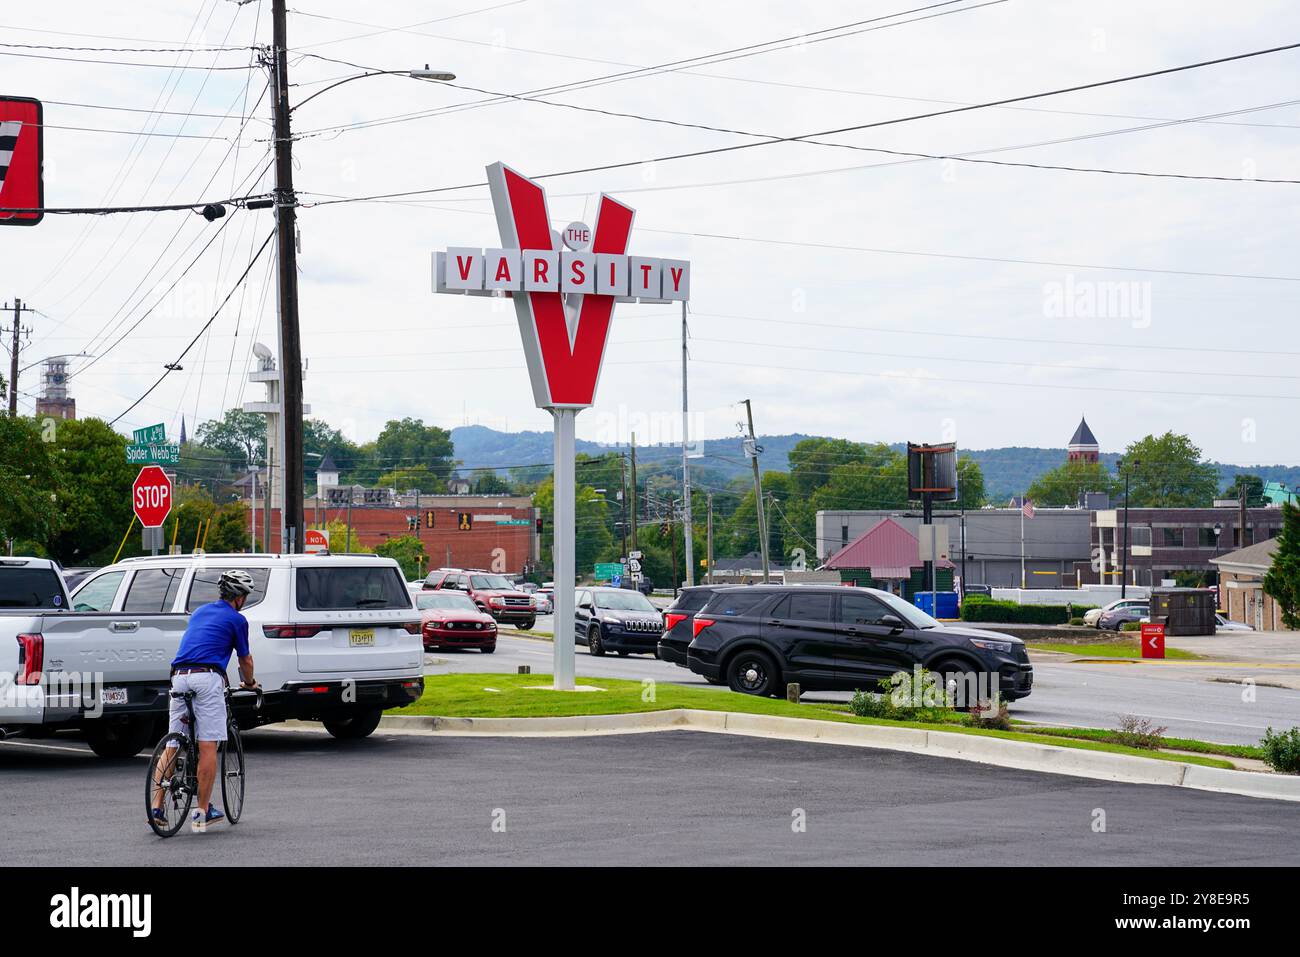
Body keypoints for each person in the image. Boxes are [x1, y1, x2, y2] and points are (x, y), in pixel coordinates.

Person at [150, 569, 259, 833]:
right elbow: (245, 660)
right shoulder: (237, 619)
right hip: (207, 678)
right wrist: (250, 683)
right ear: (240, 597)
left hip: (179, 676)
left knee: (174, 742)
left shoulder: (199, 613)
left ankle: (156, 807)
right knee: (208, 744)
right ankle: (202, 811)